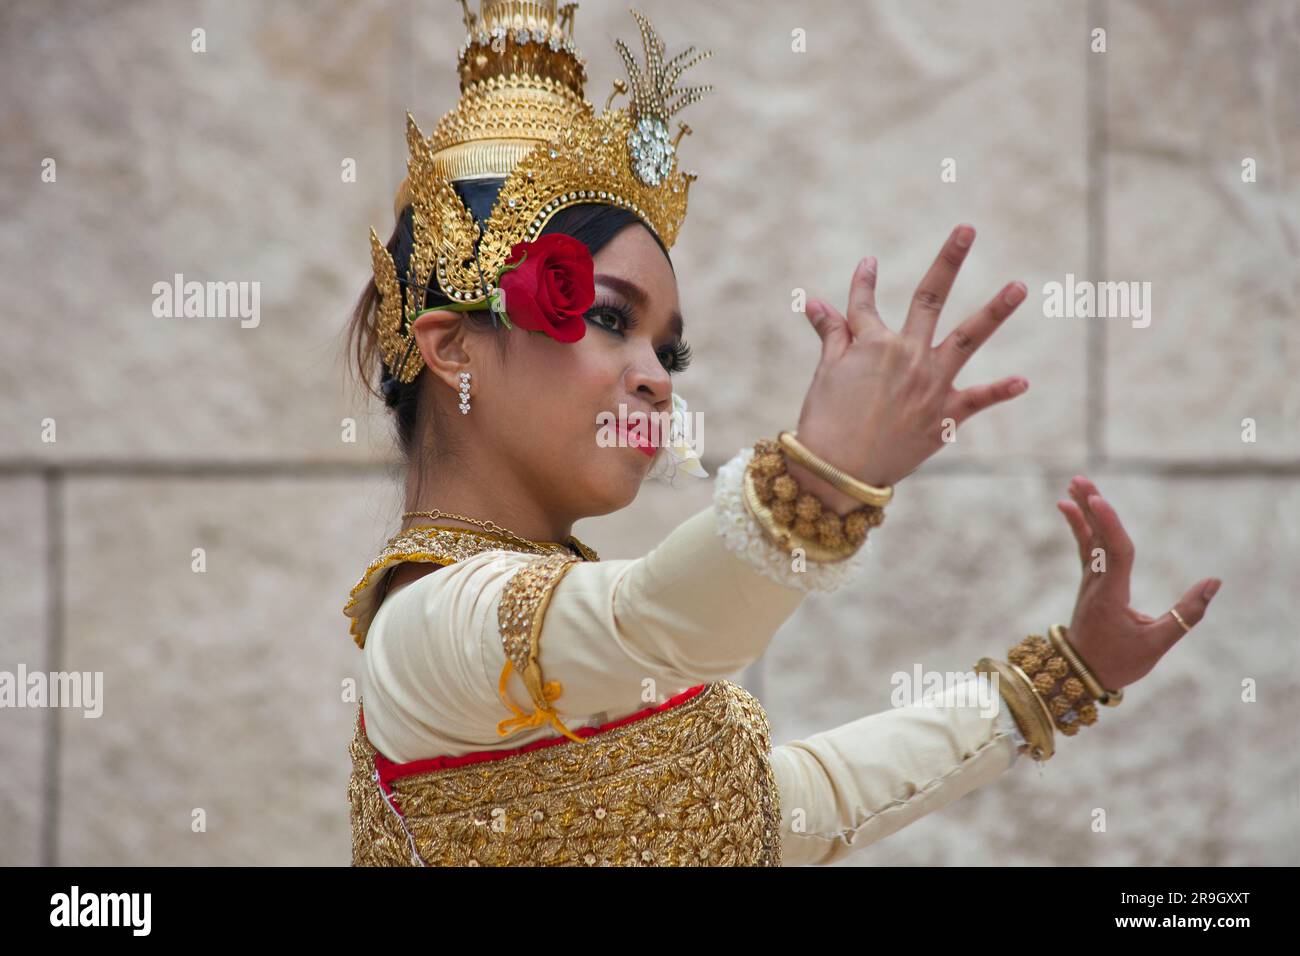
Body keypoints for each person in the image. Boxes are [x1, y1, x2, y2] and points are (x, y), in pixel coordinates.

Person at [339, 0, 1221, 867]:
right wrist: (824, 477)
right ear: (454, 348)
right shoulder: (425, 634)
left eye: (669, 354)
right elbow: (654, 624)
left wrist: (1058, 678)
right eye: (609, 319)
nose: (654, 377)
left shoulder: (576, 664)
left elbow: (804, 803)